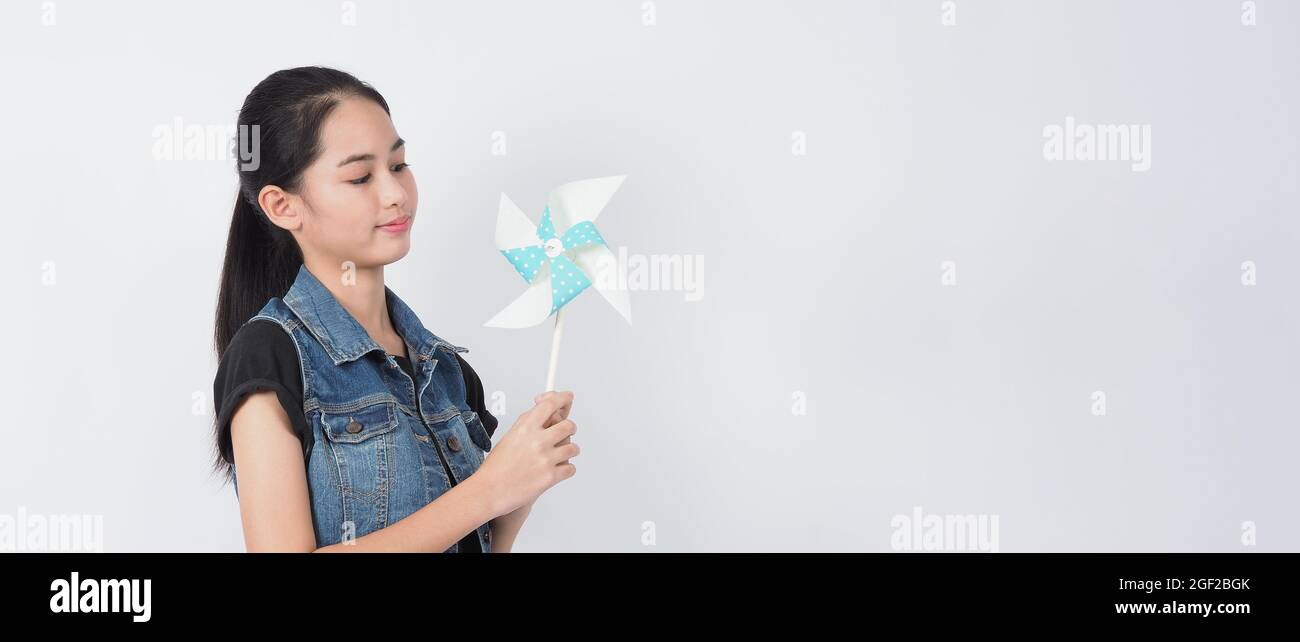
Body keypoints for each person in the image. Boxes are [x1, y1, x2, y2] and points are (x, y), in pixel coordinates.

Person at [211, 66, 579, 552]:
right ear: (283, 206)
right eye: (361, 176)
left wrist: (517, 493)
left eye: (400, 165)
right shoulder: (270, 355)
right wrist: (488, 490)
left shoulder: (447, 372)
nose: (395, 193)